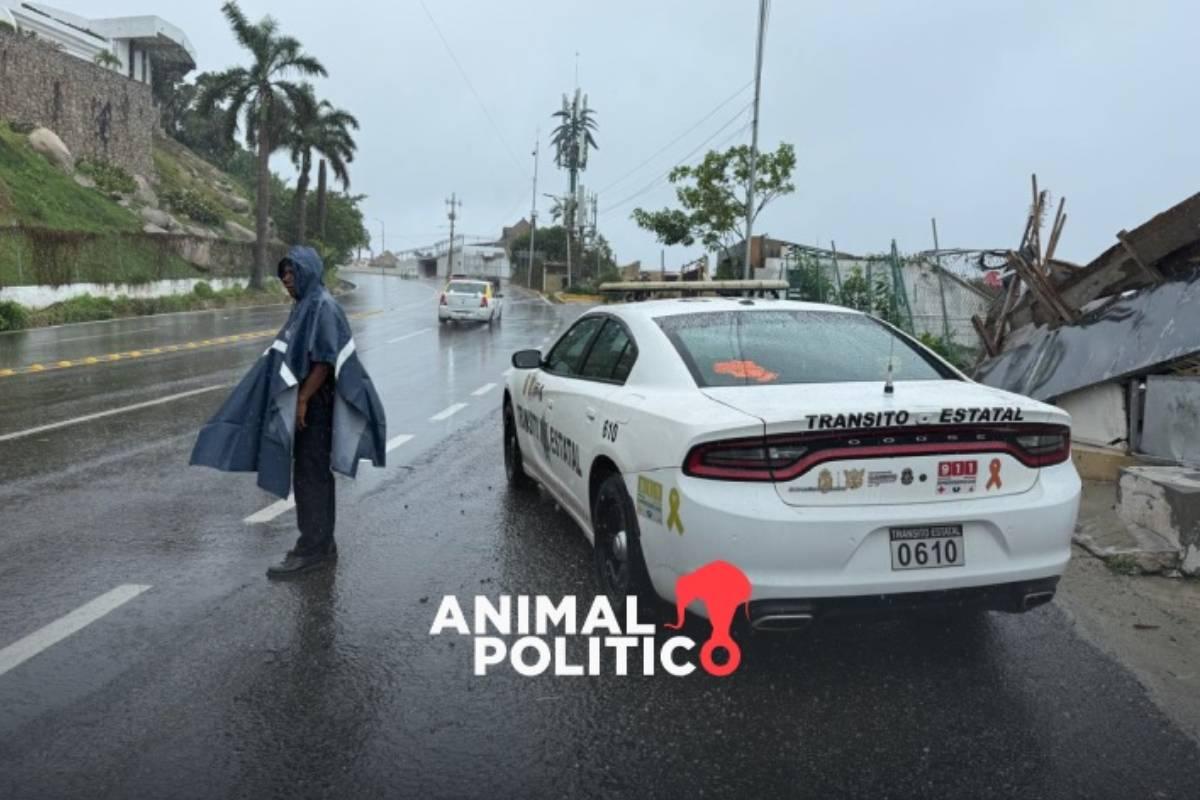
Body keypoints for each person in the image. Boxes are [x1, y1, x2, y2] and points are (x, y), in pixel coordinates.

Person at [190, 246, 387, 578]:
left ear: (307, 272)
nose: (286, 279)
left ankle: (315, 549)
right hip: (310, 403)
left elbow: (324, 360)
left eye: (292, 273)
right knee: (309, 475)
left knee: (312, 476)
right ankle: (318, 544)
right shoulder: (306, 305)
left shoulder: (322, 306)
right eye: (283, 274)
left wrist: (302, 400)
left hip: (317, 406)